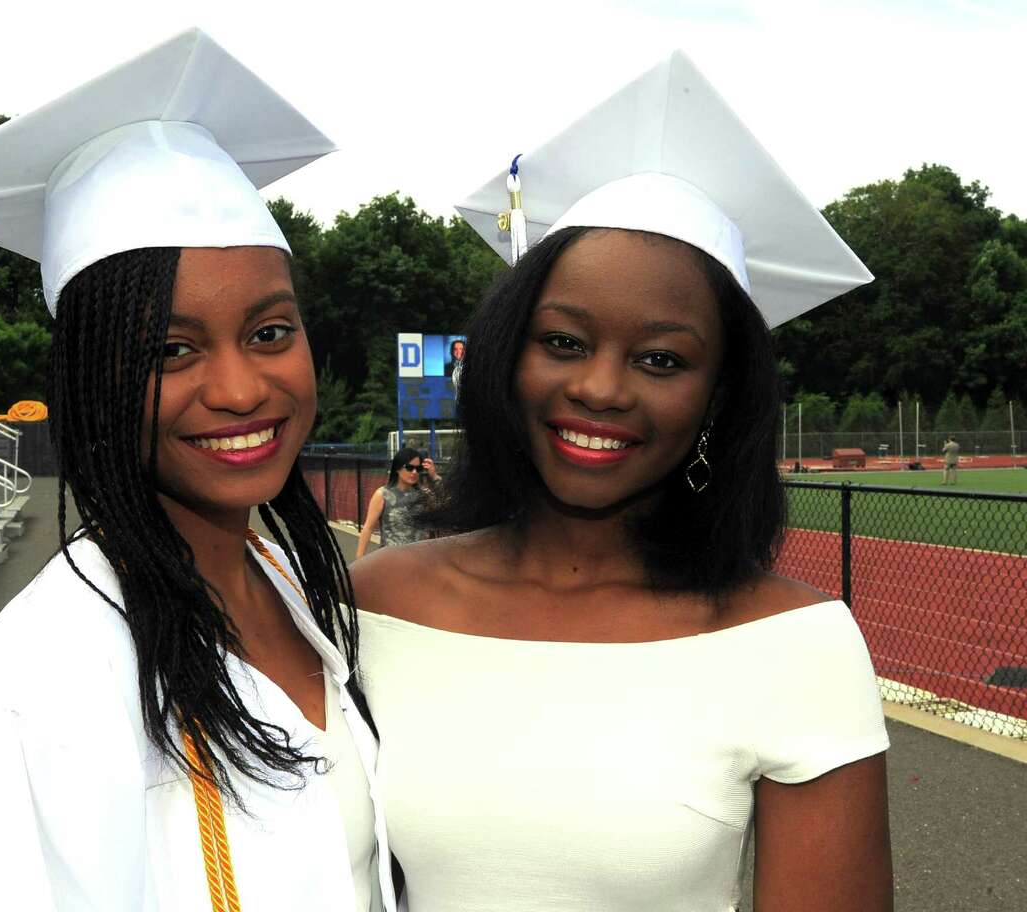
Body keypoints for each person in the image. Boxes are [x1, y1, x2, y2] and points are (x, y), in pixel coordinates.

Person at [355, 52, 891, 911]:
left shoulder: (798, 645)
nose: (601, 388)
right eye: (564, 341)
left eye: (660, 358)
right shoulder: (377, 605)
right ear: (505, 355)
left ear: (718, 397)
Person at [0, 30, 394, 911]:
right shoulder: (48, 682)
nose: (240, 389)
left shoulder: (285, 581)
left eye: (271, 333)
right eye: (171, 349)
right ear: (93, 376)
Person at [355, 447, 439, 558]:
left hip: (420, 558)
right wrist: (359, 559)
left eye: (418, 469)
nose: (414, 472)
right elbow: (368, 527)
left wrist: (434, 477)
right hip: (391, 559)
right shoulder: (382, 494)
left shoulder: (424, 494)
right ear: (398, 468)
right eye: (409, 468)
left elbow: (445, 506)